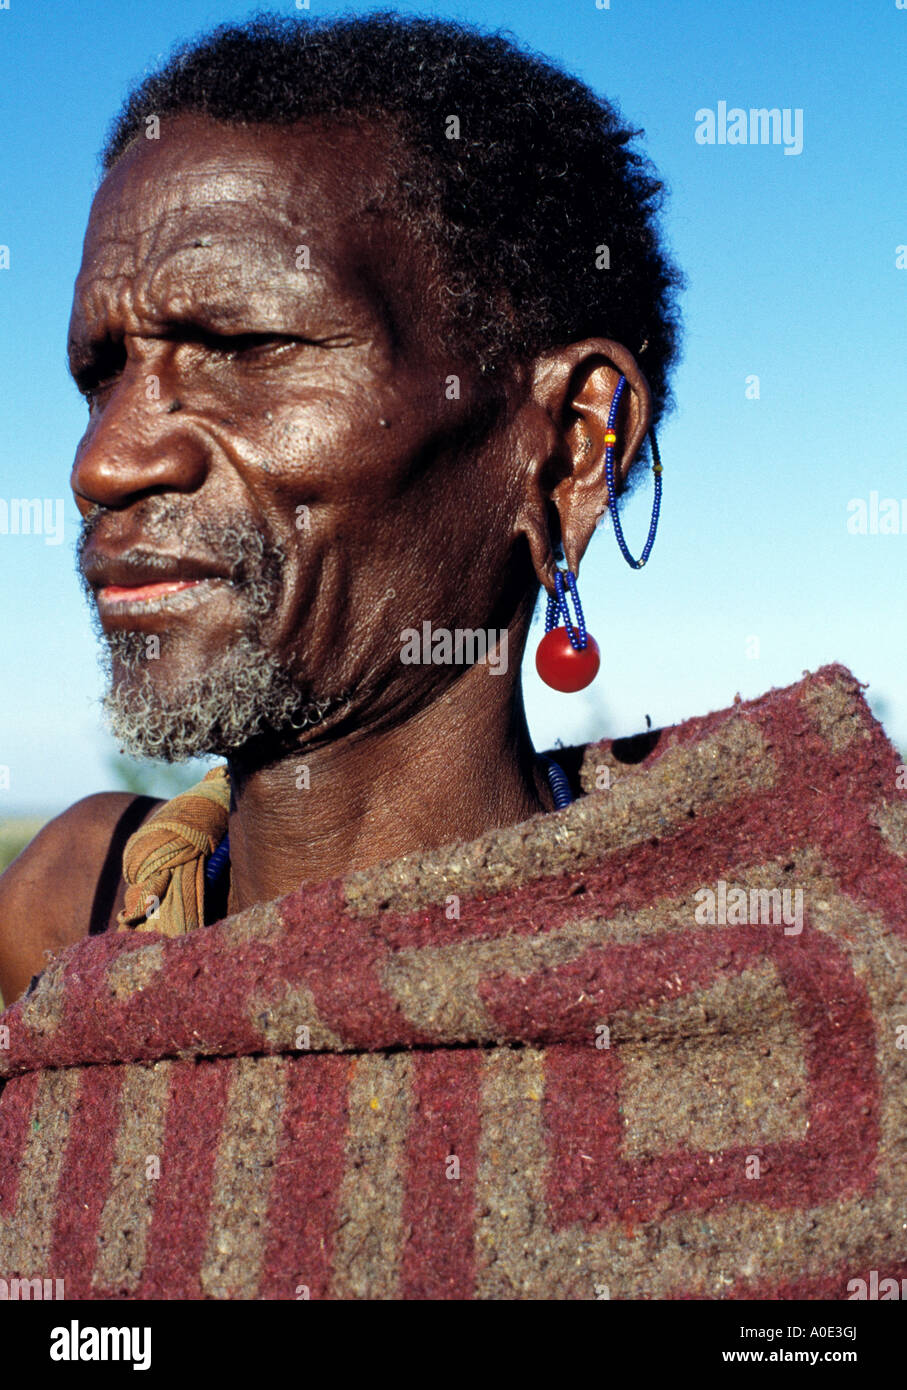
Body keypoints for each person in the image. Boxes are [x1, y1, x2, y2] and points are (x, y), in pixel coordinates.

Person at [0, 12, 681, 1002]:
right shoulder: (74, 910)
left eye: (244, 348)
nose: (104, 464)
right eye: (100, 377)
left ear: (572, 446)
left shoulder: (752, 961)